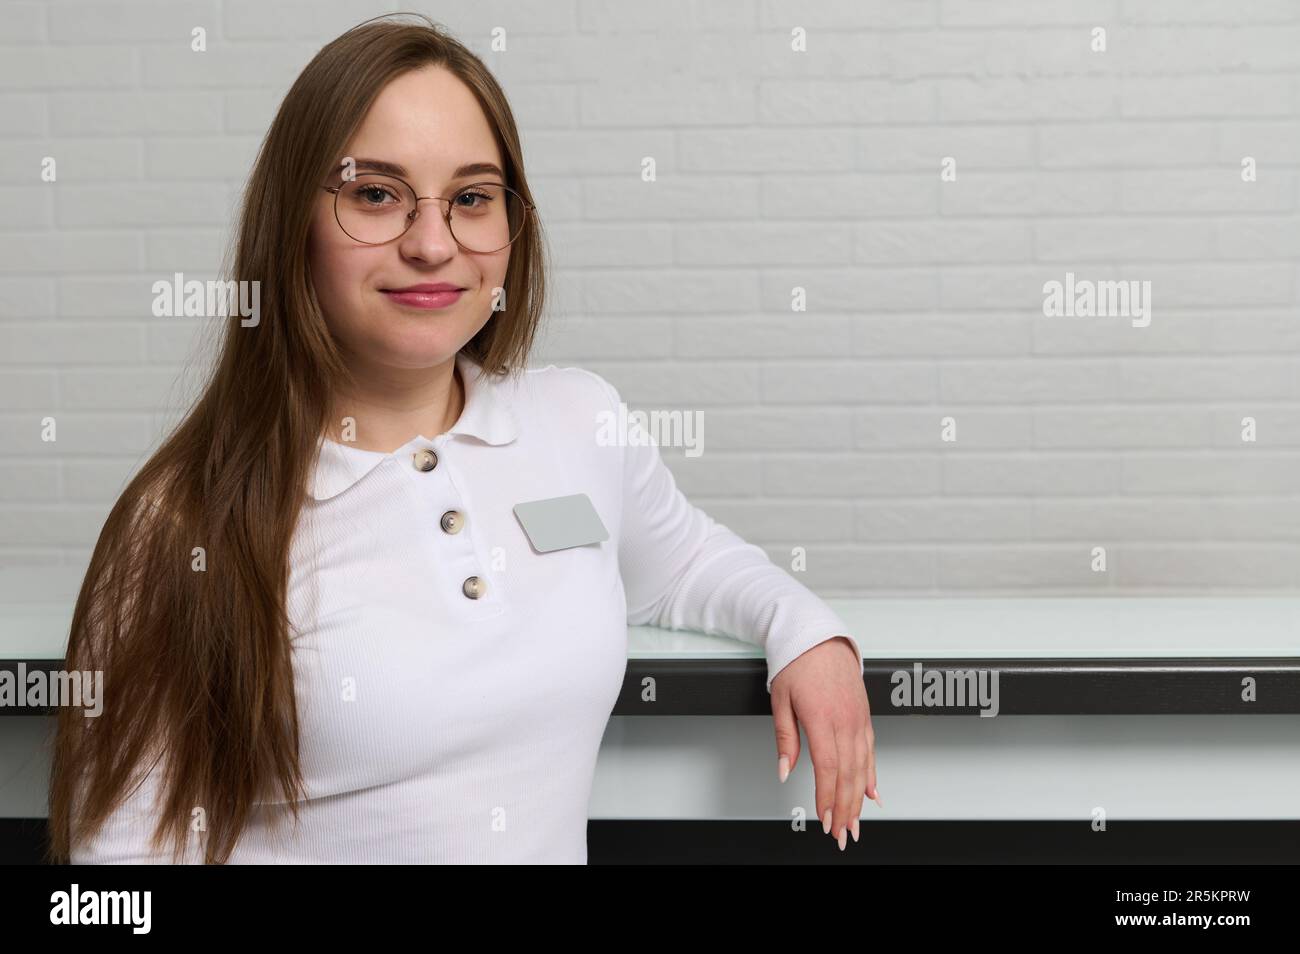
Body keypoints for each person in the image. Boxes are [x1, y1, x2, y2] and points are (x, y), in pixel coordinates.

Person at [48, 13, 877, 864]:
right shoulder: (181, 523)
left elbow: (689, 565)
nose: (432, 243)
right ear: (291, 219)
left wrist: (808, 633)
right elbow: (111, 880)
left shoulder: (577, 422)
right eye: (375, 194)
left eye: (472, 199)